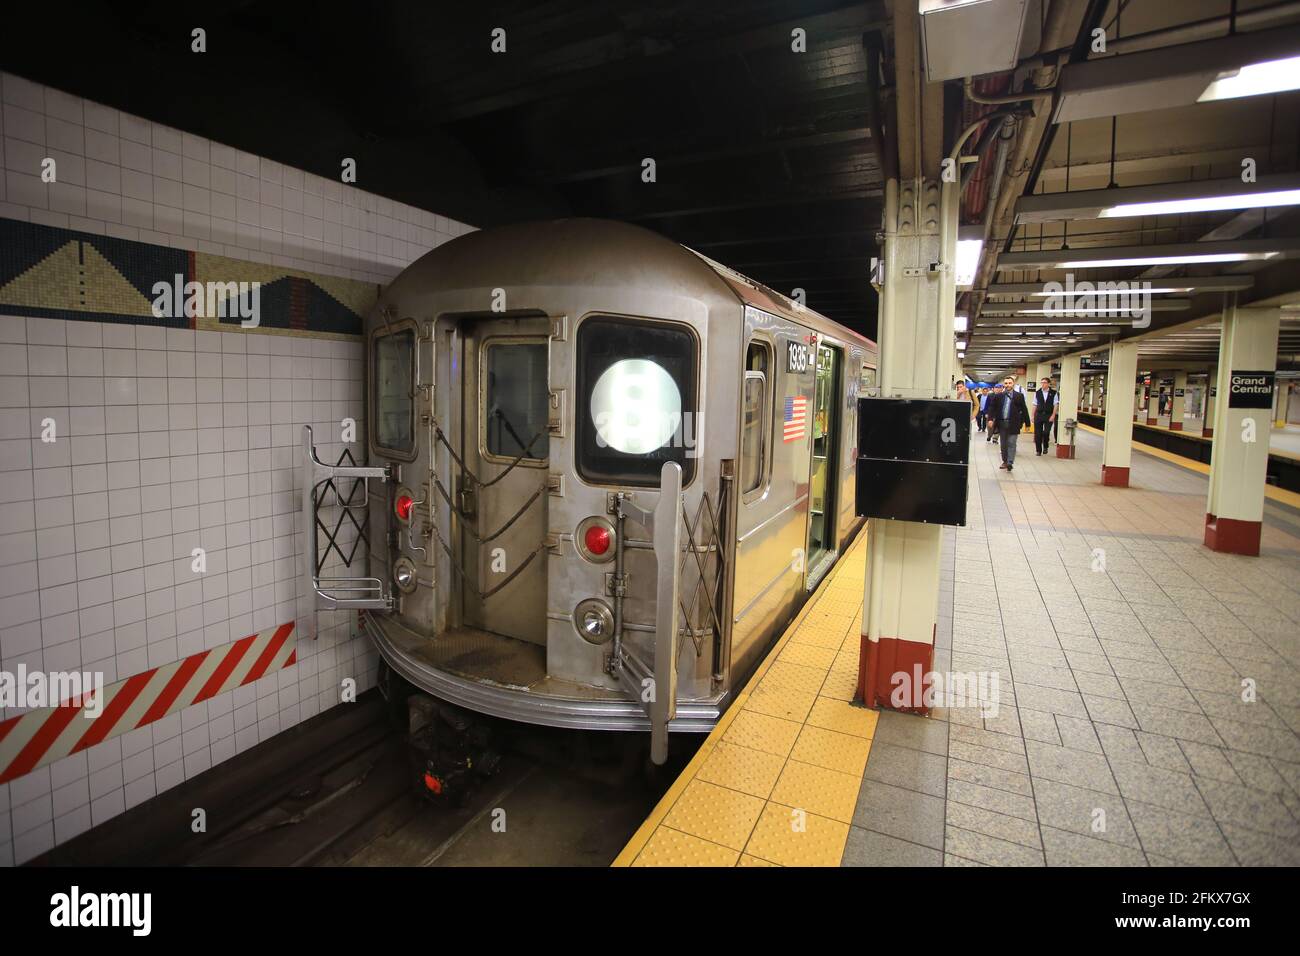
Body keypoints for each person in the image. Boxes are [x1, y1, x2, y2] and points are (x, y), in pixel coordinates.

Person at [992, 374, 1031, 471]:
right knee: (1004, 444)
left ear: (1013, 384)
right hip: (1002, 423)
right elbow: (993, 408)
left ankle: (1010, 462)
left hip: (1014, 423)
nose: (1008, 385)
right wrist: (990, 419)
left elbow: (1024, 409)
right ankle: (1005, 461)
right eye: (1006, 383)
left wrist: (1027, 423)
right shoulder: (999, 396)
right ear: (1003, 385)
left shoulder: (1019, 396)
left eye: (1010, 383)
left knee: (1012, 442)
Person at [1033, 376, 1059, 456]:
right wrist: (1032, 416)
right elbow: (1034, 404)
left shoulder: (1054, 393)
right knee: (1038, 433)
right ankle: (1038, 450)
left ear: (1048, 384)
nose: (1043, 384)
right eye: (1042, 383)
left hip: (1048, 415)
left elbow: (1055, 405)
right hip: (1039, 415)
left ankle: (1045, 446)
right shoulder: (1037, 393)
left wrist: (1053, 415)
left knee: (1046, 432)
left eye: (1044, 383)